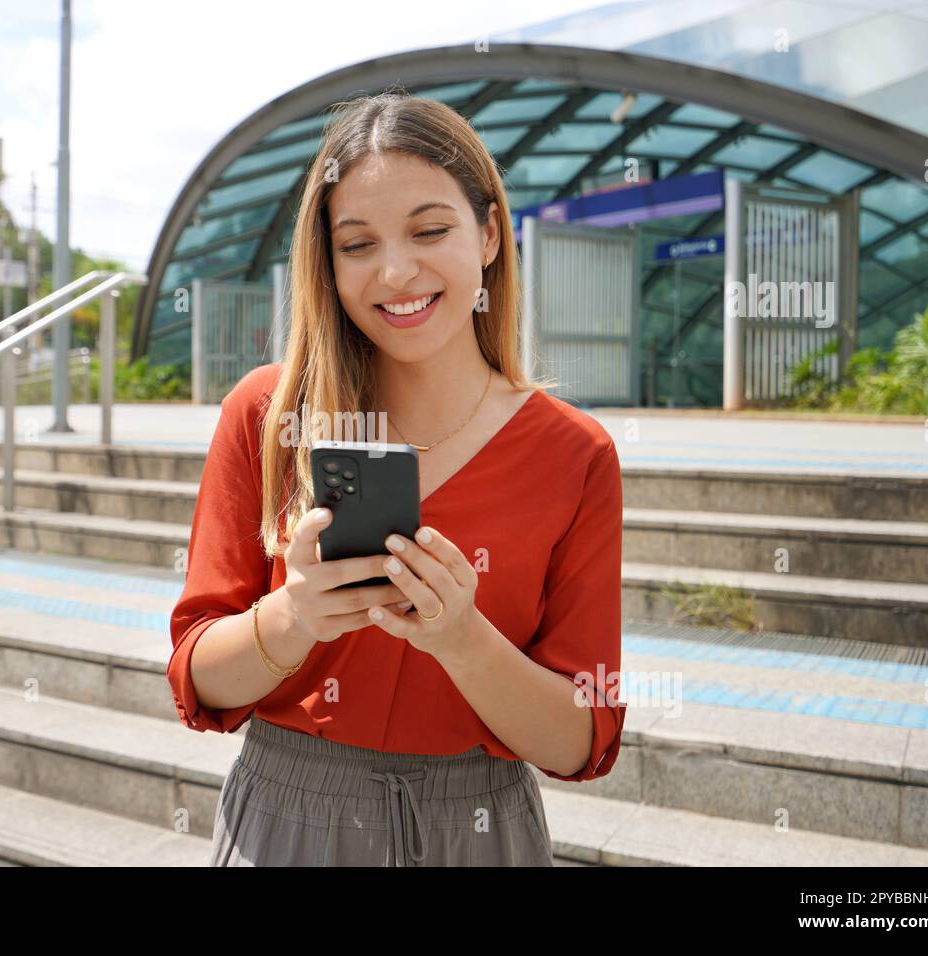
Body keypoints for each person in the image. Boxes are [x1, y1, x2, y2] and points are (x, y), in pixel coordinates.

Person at [168, 90, 626, 867]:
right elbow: (197, 679)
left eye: (430, 230)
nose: (394, 271)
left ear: (488, 234)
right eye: (356, 244)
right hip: (289, 824)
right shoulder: (266, 412)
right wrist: (295, 616)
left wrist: (462, 640)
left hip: (482, 831)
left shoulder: (574, 453)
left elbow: (582, 735)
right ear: (327, 262)